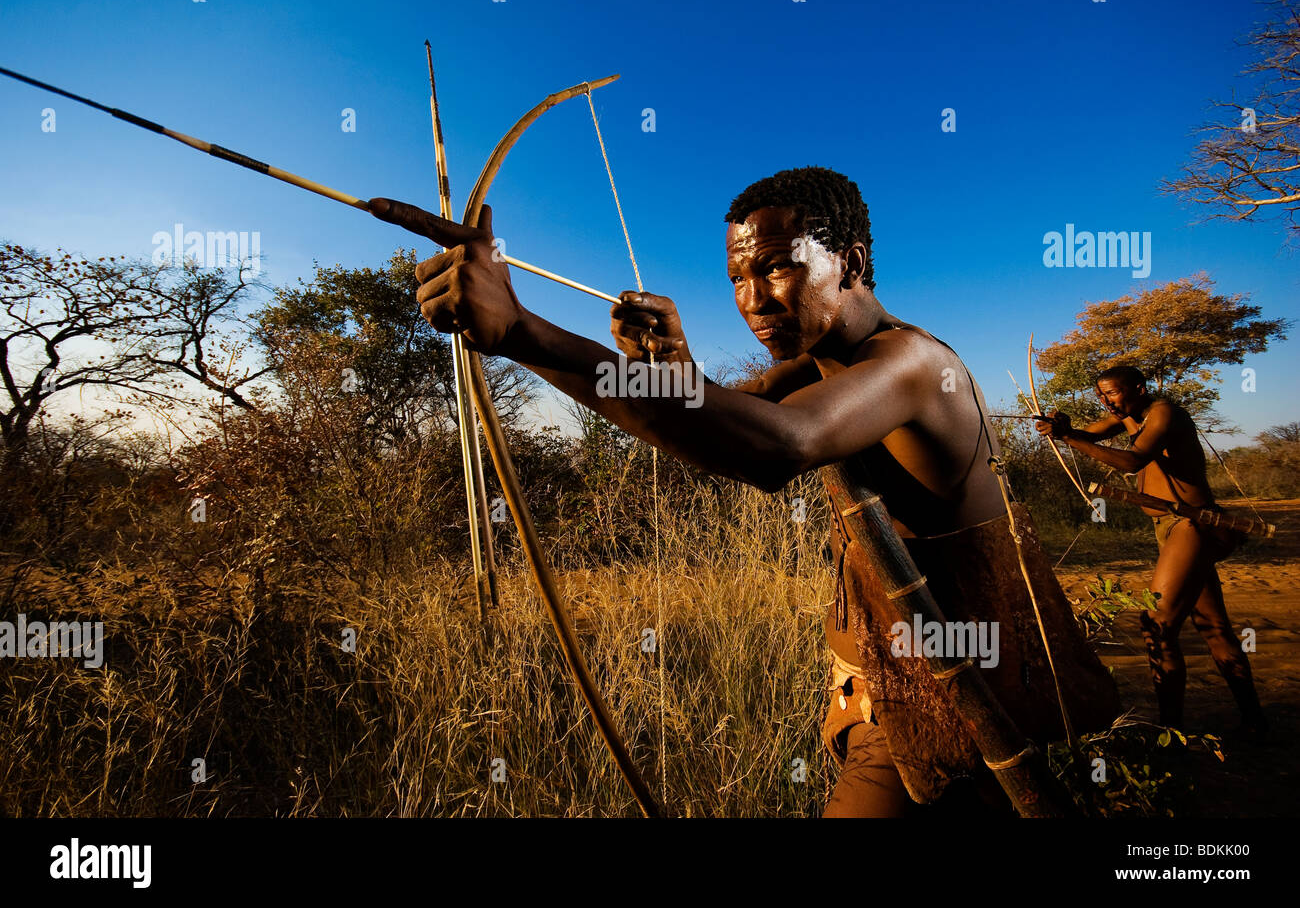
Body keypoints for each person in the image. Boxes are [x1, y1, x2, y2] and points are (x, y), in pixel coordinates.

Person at [376, 165, 1118, 816]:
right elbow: (725, 414)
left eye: (774, 269)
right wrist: (676, 372)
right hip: (888, 698)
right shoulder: (814, 368)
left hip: (955, 704)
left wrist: (520, 333)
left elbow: (774, 447)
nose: (753, 299)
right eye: (736, 278)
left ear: (852, 262)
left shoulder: (911, 364)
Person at [1037, 367, 1266, 735]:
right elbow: (1088, 433)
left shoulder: (1163, 412)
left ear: (1139, 389)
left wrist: (1070, 438)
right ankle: (1256, 723)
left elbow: (1133, 461)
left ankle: (1170, 731)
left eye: (1112, 393)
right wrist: (1061, 429)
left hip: (1189, 526)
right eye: (1101, 395)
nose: (1106, 401)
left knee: (1158, 628)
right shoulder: (1131, 417)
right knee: (1214, 629)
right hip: (1172, 527)